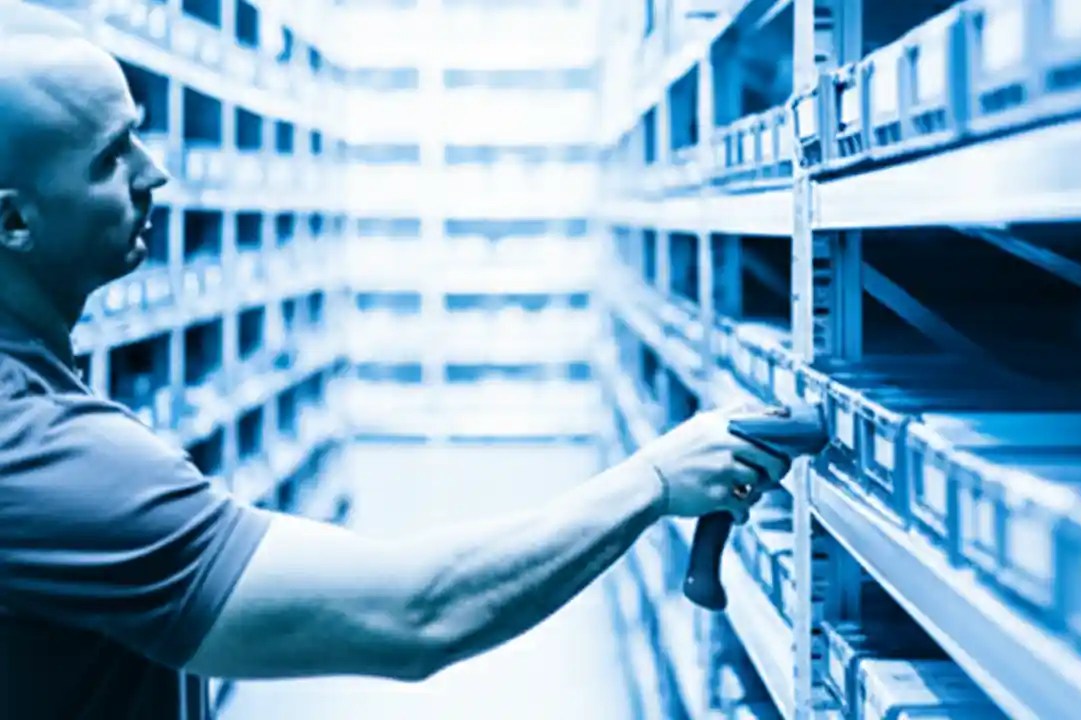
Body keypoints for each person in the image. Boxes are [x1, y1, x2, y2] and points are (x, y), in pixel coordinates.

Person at [0, 3, 792, 719]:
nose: (155, 172)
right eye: (110, 158)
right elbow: (414, 614)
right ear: (12, 222)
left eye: (140, 132)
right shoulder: (37, 452)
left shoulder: (40, 381)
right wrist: (654, 480)